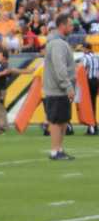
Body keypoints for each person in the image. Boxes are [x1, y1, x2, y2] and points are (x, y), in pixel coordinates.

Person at [42, 14, 76, 160]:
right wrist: (68, 86)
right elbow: (59, 67)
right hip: (57, 89)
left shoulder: (59, 42)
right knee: (56, 121)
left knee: (62, 120)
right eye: (70, 24)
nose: (72, 27)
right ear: (62, 26)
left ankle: (59, 149)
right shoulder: (58, 44)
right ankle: (55, 151)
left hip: (58, 89)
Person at [83, 47, 99, 136]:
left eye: (84, 49)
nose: (83, 51)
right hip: (95, 81)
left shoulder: (86, 57)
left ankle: (91, 127)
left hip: (88, 81)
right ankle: (94, 126)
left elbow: (84, 70)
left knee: (88, 105)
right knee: (93, 104)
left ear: (87, 49)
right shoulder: (96, 57)